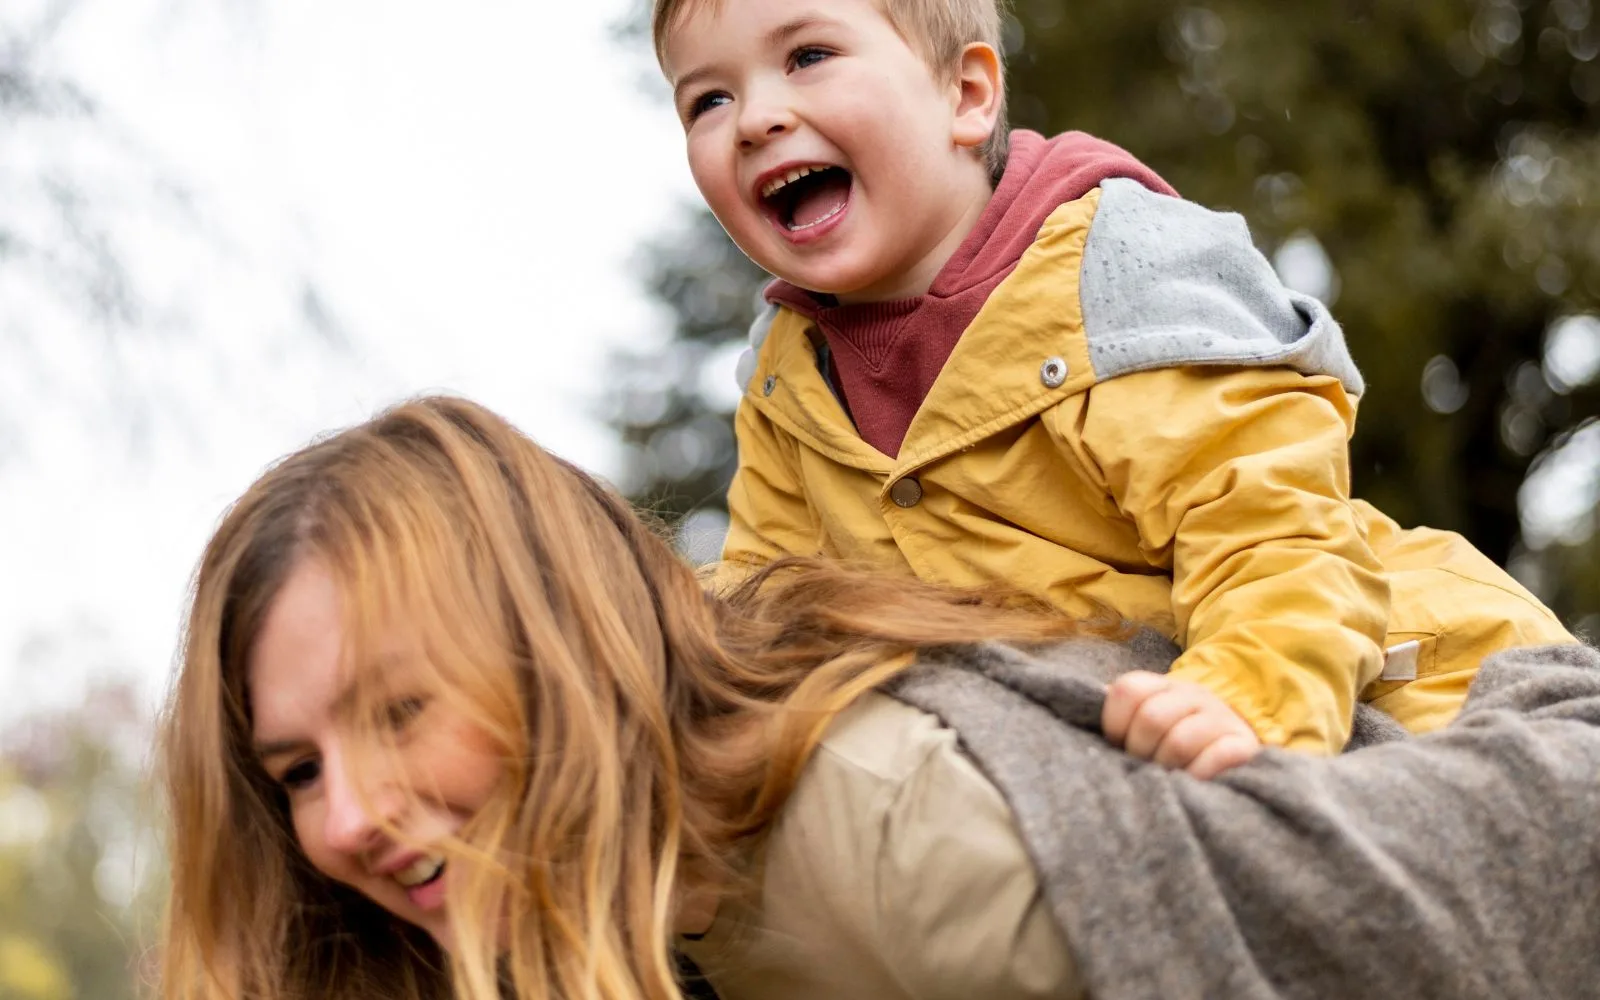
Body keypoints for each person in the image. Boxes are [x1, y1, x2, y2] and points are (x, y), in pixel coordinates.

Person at [158, 397, 1600, 1000]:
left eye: (400, 714)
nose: (345, 817)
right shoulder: (625, 903)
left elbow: (1510, 875)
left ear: (557, 650)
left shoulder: (890, 844)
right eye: (293, 771)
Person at [650, 0, 1575, 773]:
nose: (756, 116)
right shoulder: (787, 381)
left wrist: (1251, 696)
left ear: (966, 94)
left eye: (808, 57)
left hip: (1419, 690)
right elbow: (766, 610)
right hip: (1096, 726)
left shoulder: (1113, 279)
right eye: (707, 100)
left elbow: (1274, 537)